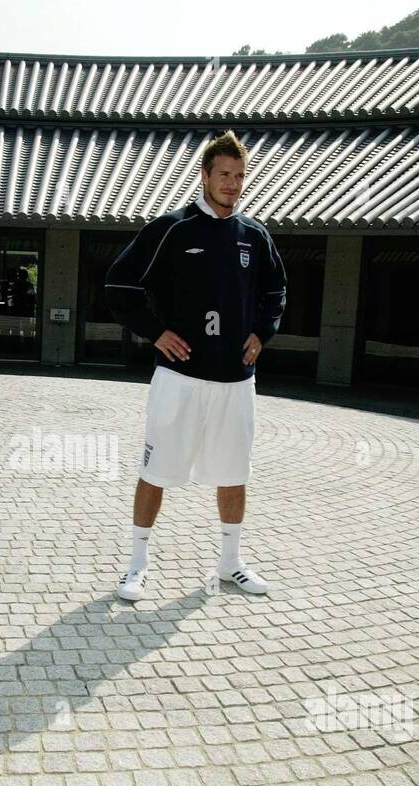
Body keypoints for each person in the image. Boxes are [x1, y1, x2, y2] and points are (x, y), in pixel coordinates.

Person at [104, 129, 287, 600]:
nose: (233, 183)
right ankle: (137, 565)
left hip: (235, 382)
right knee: (157, 471)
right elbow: (120, 285)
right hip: (180, 379)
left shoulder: (255, 236)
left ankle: (230, 564)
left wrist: (261, 333)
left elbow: (276, 294)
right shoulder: (172, 229)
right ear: (204, 175)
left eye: (240, 176)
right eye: (224, 174)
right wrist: (155, 331)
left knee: (234, 472)